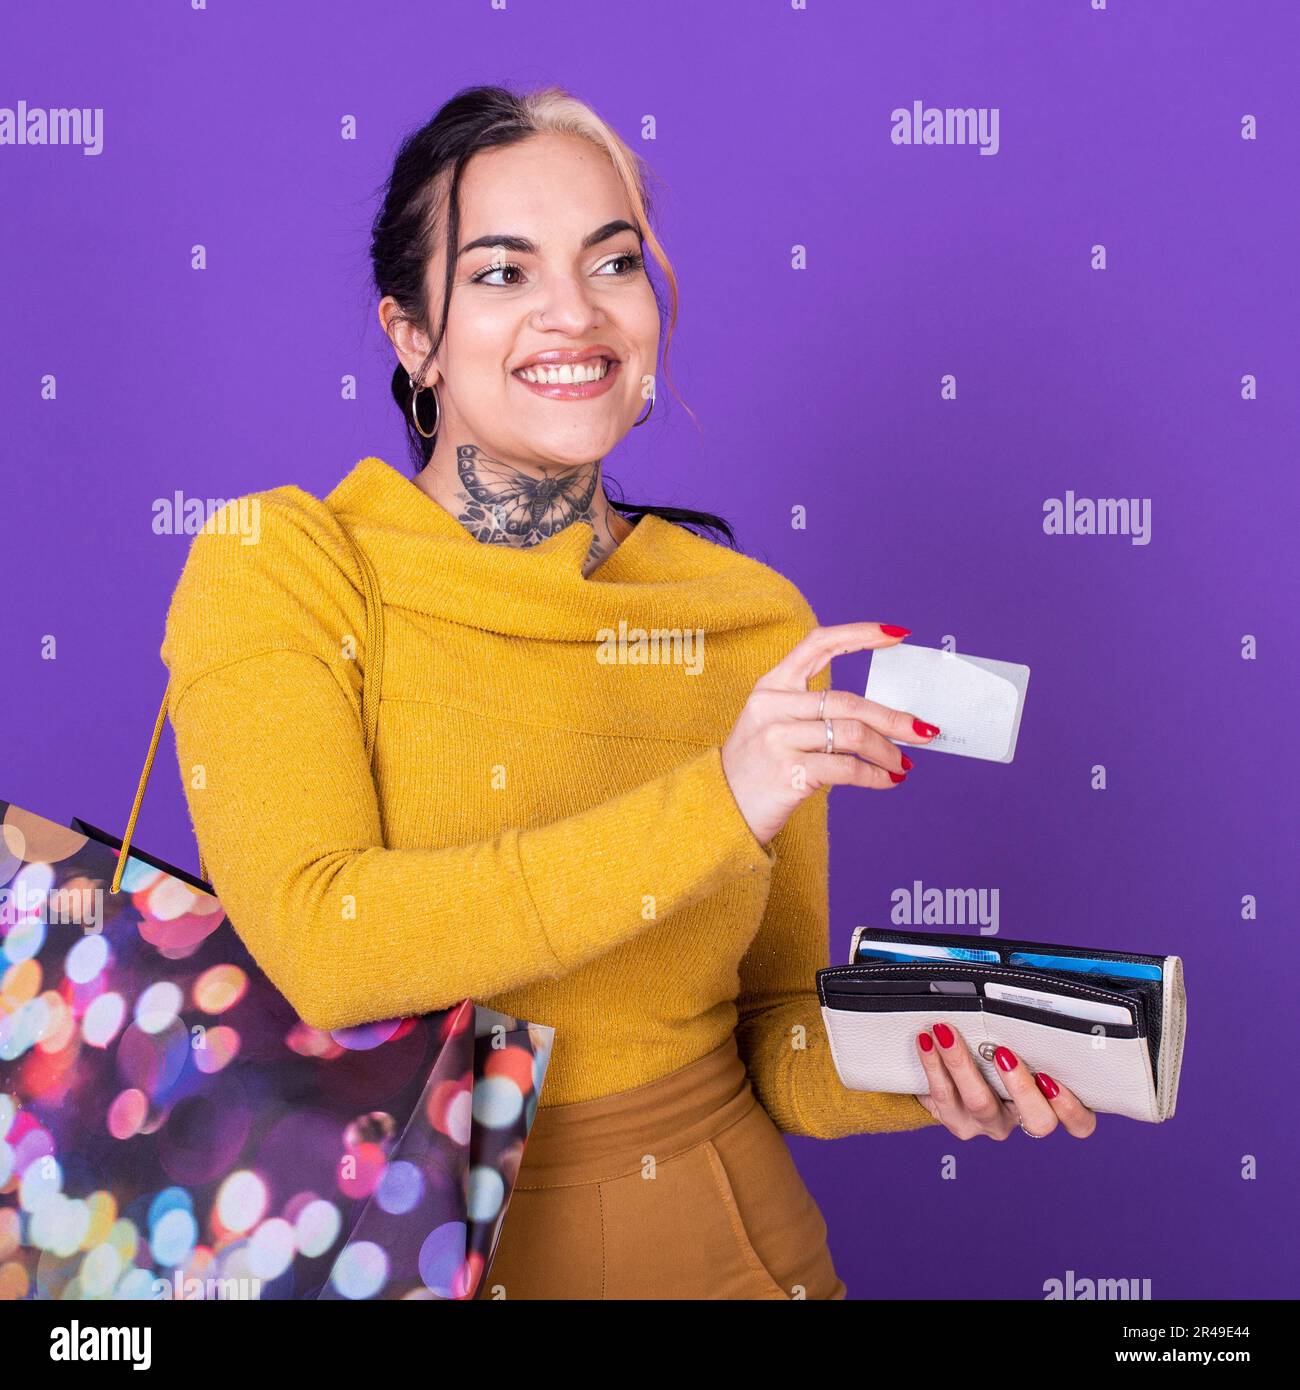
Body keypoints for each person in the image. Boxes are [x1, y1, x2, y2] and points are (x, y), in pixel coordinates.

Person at [161, 83, 1096, 1303]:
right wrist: (720, 796)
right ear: (411, 335)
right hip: (393, 1249)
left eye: (612, 263)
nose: (573, 311)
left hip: (731, 1251)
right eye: (503, 272)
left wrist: (925, 1058)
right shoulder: (283, 566)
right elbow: (329, 943)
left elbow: (771, 1035)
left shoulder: (750, 616)